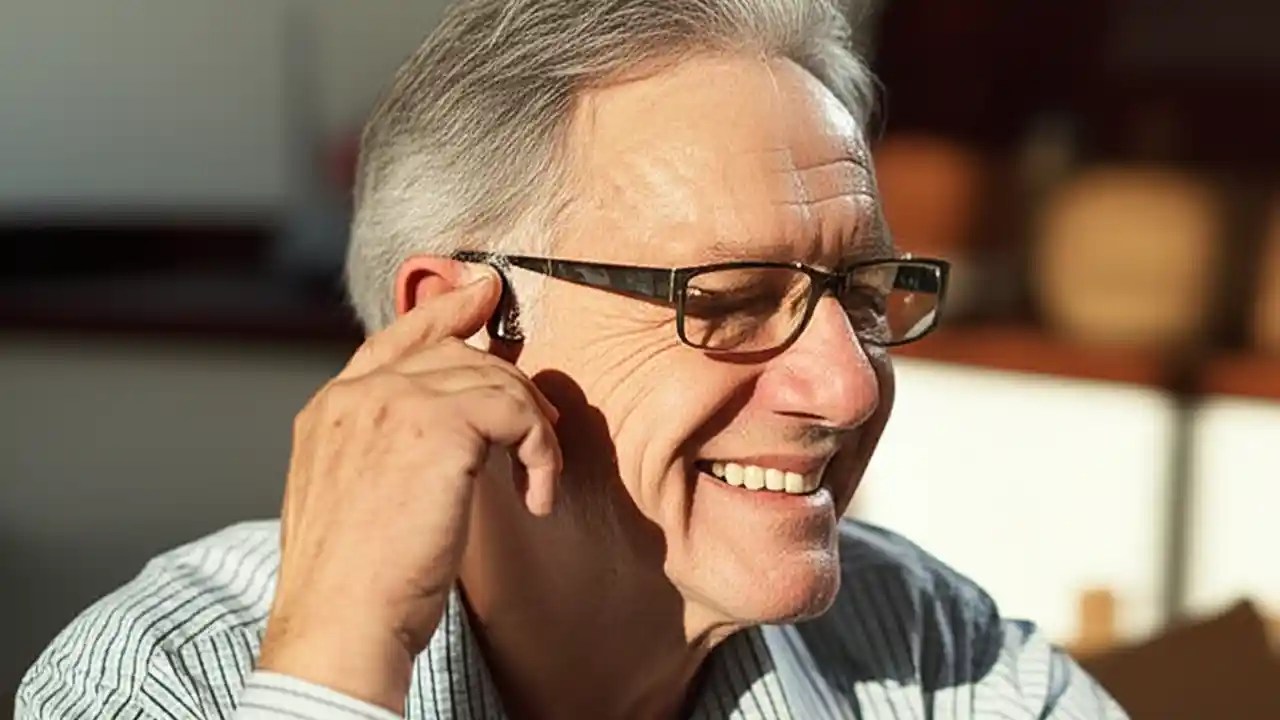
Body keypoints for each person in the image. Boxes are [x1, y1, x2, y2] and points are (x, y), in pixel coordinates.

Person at [17, 1, 1127, 718]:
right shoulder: (167, 684)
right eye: (730, 301)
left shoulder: (938, 662)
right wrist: (339, 664)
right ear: (454, 333)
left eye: (865, 293)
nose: (843, 387)